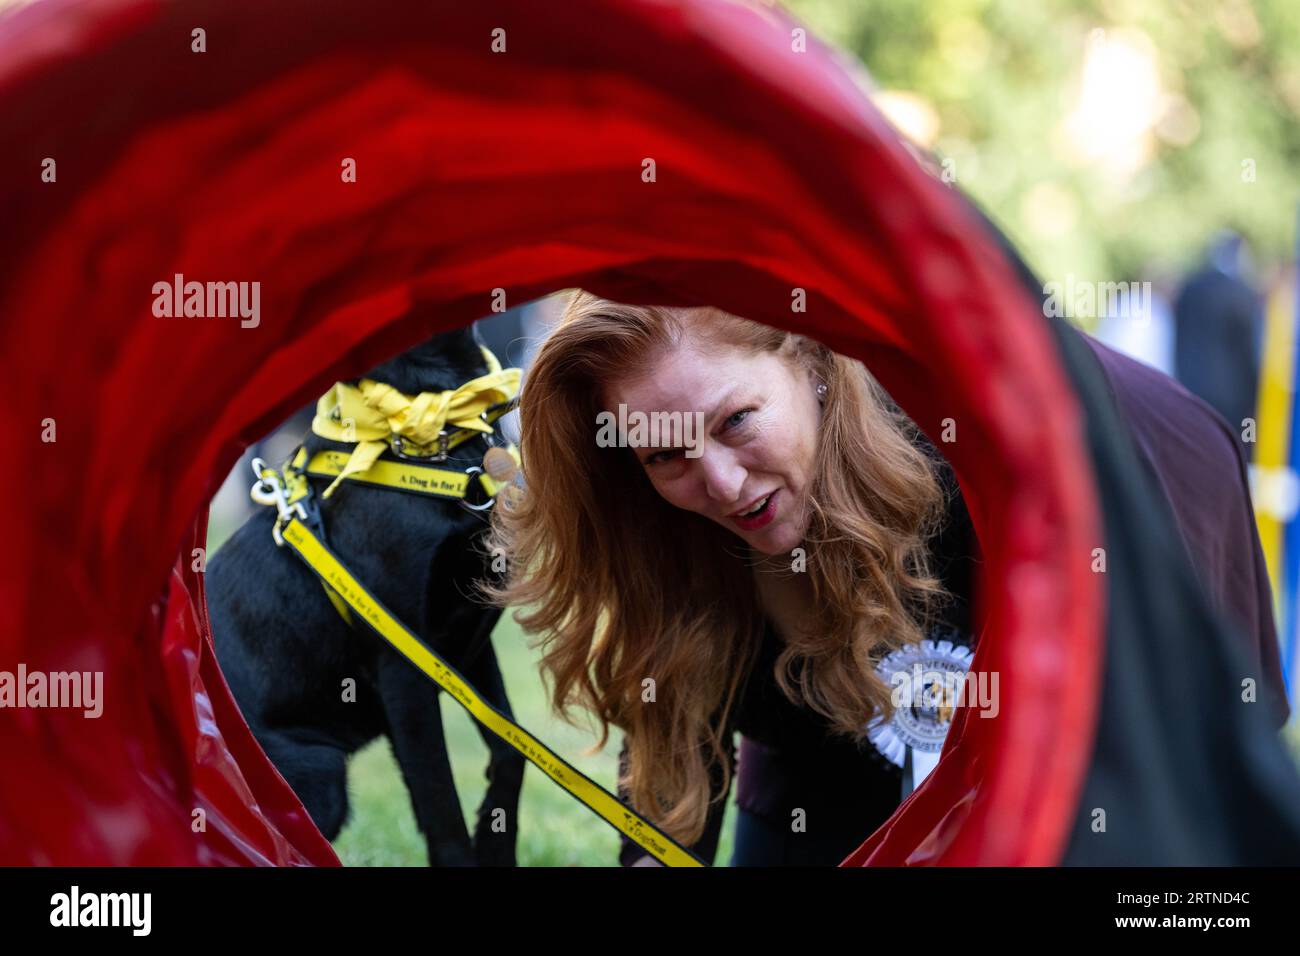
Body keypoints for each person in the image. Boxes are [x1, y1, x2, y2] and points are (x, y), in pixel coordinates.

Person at [481, 290, 981, 866]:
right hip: (807, 800)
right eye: (665, 455)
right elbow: (672, 774)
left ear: (814, 362)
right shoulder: (664, 537)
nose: (722, 485)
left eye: (736, 421)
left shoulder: (961, 460)